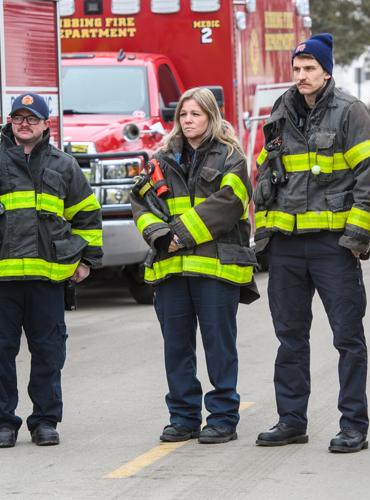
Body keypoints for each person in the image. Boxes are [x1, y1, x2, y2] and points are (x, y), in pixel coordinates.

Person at [0, 92, 102, 448]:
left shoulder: (64, 166)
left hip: (47, 280)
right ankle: (2, 424)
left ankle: (45, 421)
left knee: (49, 353)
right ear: (11, 121)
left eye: (31, 117)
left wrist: (87, 260)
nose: (24, 123)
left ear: (46, 123)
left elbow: (88, 215)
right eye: (18, 117)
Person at [252, 33, 370, 453]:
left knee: (347, 338)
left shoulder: (351, 112)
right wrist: (264, 238)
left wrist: (357, 238)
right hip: (287, 247)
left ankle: (353, 426)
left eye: (310, 68)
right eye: (297, 69)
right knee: (290, 338)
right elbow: (264, 176)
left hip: (334, 246)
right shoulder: (279, 112)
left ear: (327, 71)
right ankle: (291, 420)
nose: (302, 76)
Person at [131, 87, 258, 445]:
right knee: (177, 348)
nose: (188, 121)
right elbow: (140, 203)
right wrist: (160, 237)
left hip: (216, 269)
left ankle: (222, 418)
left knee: (219, 347)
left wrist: (179, 236)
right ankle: (184, 418)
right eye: (183, 115)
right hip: (171, 269)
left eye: (195, 114)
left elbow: (230, 202)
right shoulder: (161, 157)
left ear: (211, 117)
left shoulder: (231, 157)